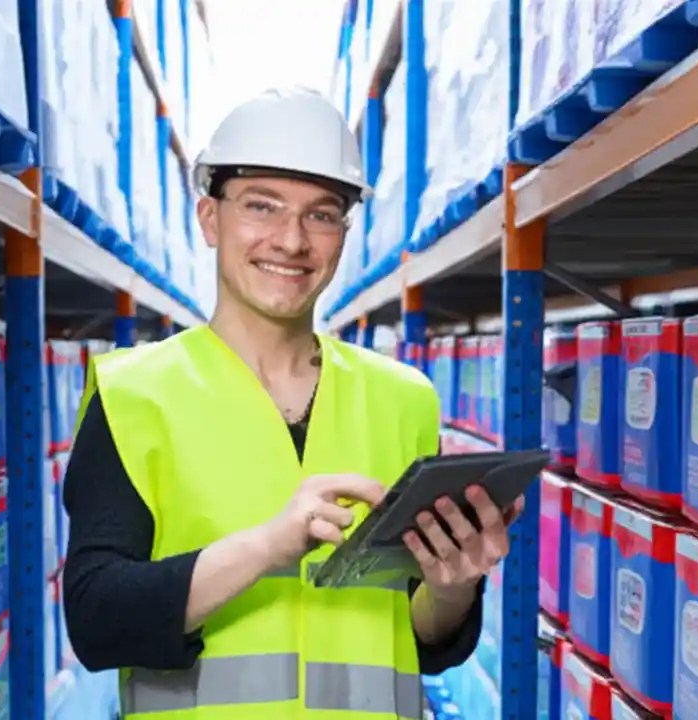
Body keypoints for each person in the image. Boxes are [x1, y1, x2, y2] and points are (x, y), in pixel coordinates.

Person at [61, 86, 524, 719]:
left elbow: (422, 640)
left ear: (343, 234)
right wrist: (268, 546)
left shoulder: (404, 398)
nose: (291, 240)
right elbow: (96, 619)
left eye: (322, 215)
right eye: (261, 206)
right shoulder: (134, 393)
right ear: (209, 218)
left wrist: (454, 587)